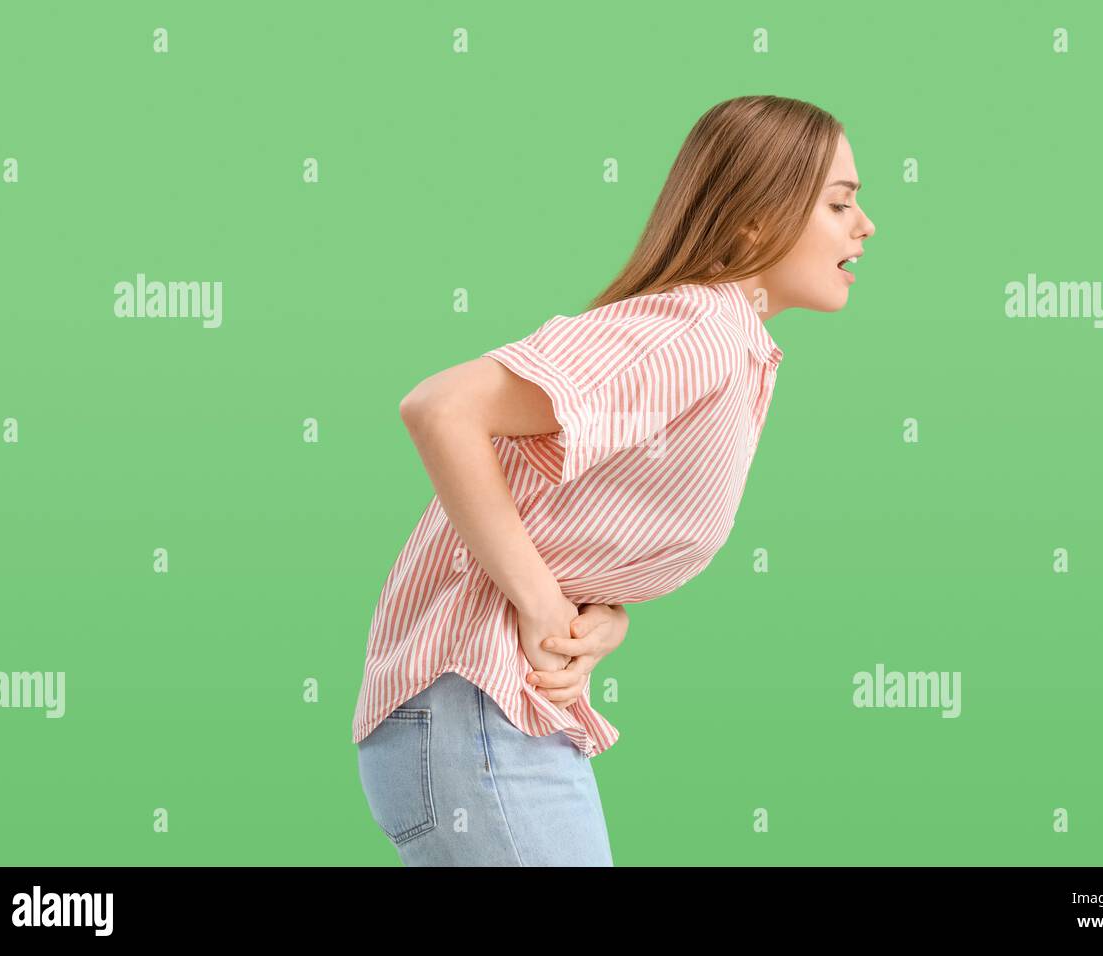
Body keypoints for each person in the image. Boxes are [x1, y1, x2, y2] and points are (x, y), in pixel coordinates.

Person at [354, 94, 876, 866]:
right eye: (840, 203)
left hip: (483, 713)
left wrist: (600, 616)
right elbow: (442, 408)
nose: (865, 225)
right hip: (479, 704)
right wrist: (536, 601)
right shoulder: (697, 330)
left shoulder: (732, 346)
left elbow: (563, 511)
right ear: (755, 221)